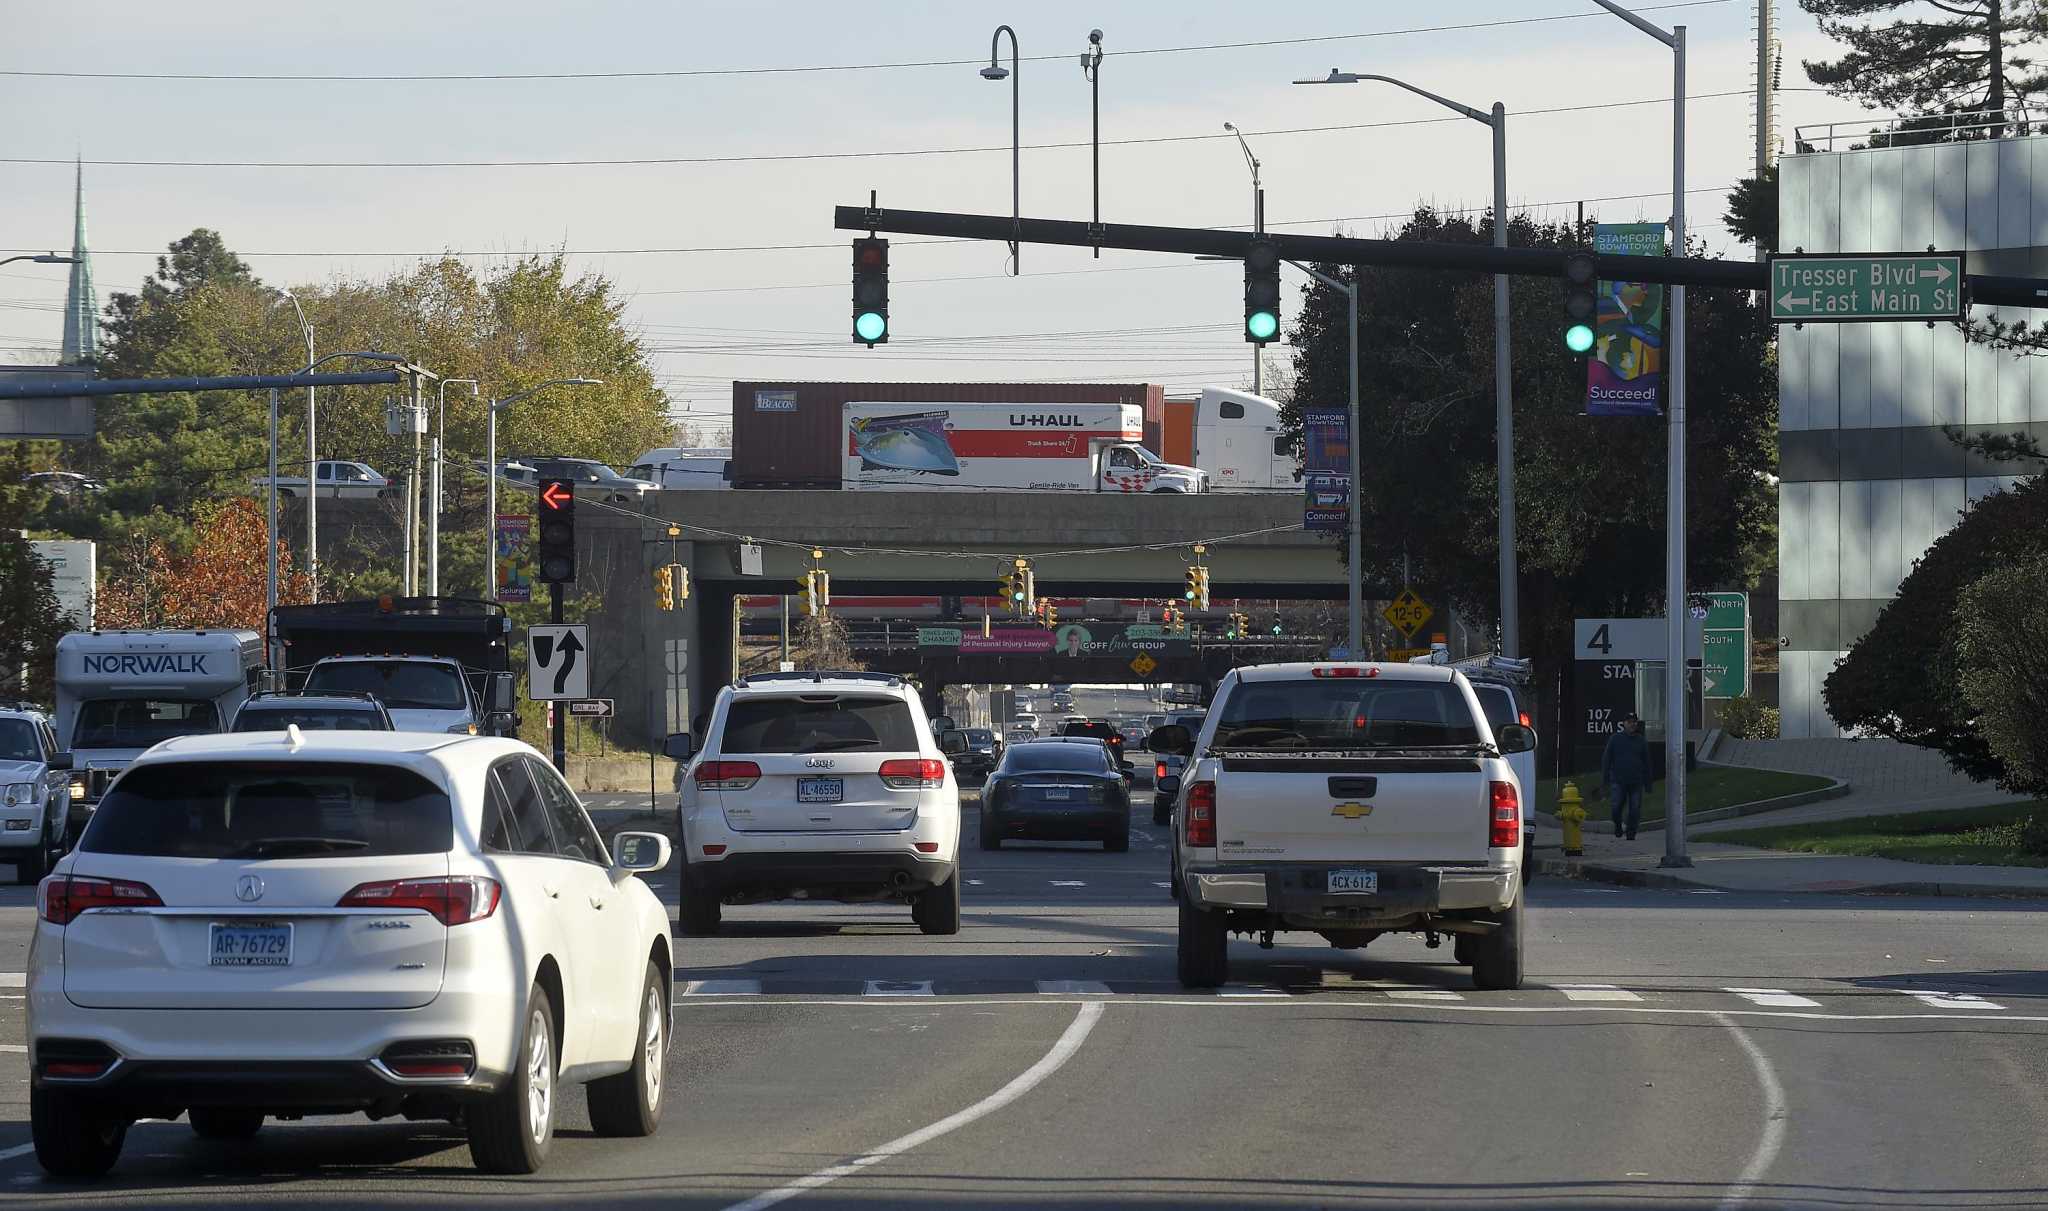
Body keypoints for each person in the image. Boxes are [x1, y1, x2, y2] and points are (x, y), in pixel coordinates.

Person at [1600, 714, 1651, 840]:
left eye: (1634, 722)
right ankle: (1618, 825)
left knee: (1635, 809)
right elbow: (1607, 759)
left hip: (1636, 781)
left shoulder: (1641, 740)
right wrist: (1605, 778)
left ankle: (1631, 833)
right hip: (1618, 780)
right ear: (1624, 723)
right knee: (1616, 808)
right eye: (1629, 722)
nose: (1632, 724)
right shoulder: (1615, 739)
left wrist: (1648, 783)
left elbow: (1647, 762)